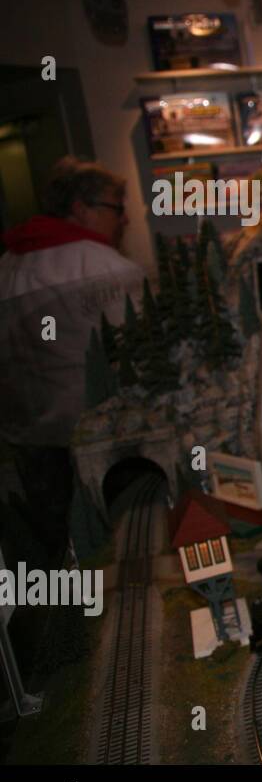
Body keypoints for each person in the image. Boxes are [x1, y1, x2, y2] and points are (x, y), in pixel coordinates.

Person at [0, 157, 144, 554]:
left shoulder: (10, 263)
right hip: (96, 436)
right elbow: (140, 346)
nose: (125, 219)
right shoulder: (102, 266)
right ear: (80, 209)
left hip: (28, 438)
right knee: (117, 541)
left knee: (58, 541)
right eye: (116, 207)